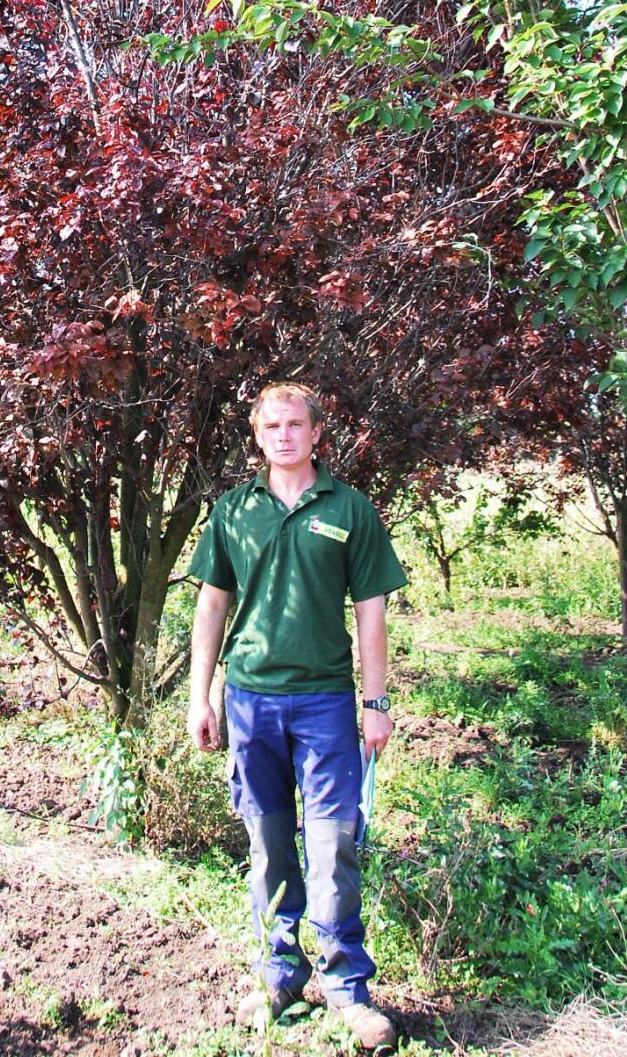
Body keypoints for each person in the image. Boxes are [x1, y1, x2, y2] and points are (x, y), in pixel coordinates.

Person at [187, 381, 406, 1052]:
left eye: (295, 424)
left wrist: (375, 702)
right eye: (271, 425)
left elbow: (372, 614)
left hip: (326, 705)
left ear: (317, 434)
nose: (284, 435)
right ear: (257, 436)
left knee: (334, 841)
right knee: (269, 843)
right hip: (251, 702)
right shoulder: (232, 511)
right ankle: (281, 972)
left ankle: (347, 987)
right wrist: (202, 696)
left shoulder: (349, 510)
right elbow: (211, 608)